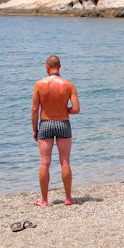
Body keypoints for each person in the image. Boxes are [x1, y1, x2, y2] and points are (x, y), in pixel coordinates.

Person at [31, 55, 80, 207]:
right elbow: (76, 109)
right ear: (60, 66)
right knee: (65, 161)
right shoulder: (68, 85)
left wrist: (35, 129)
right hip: (63, 123)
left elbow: (34, 109)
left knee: (44, 163)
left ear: (47, 67)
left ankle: (44, 200)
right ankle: (68, 198)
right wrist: (65, 109)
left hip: (45, 123)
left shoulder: (39, 84)